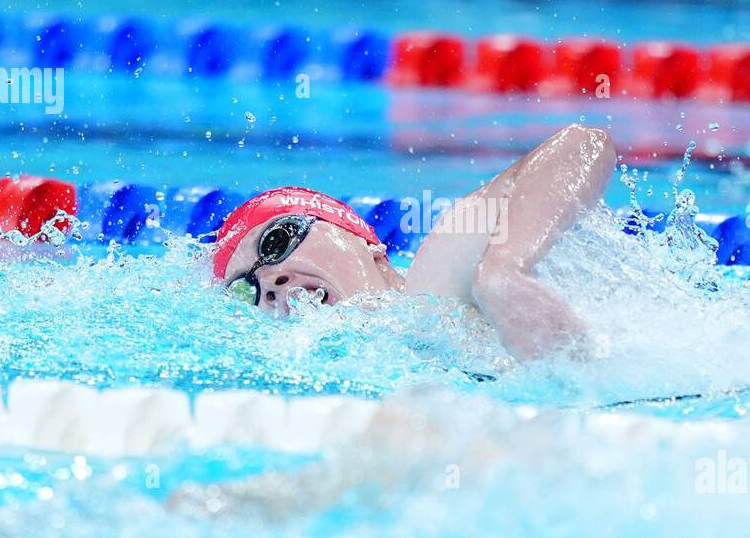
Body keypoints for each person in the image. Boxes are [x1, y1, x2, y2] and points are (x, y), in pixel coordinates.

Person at [211, 123, 616, 360]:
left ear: (361, 239)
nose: (270, 281)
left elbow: (583, 145)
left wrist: (505, 272)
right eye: (247, 290)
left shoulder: (437, 283)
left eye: (276, 240)